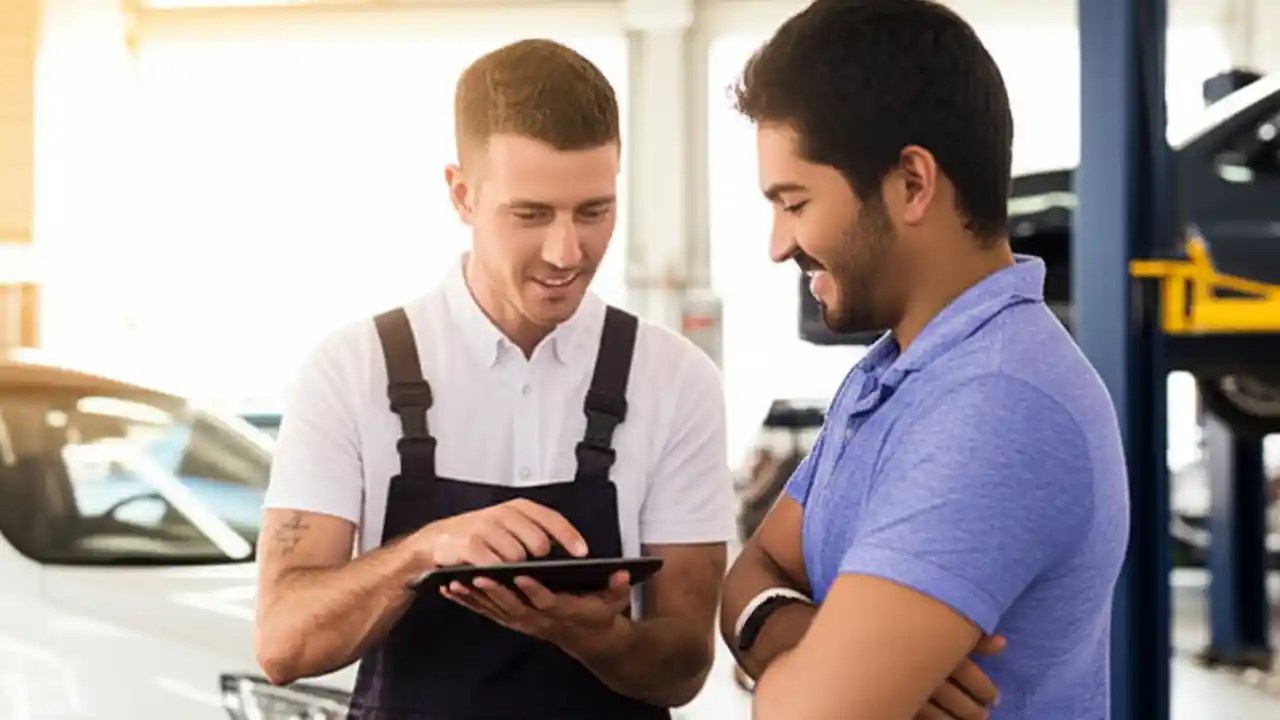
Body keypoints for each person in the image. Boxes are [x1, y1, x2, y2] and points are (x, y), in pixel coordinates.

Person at [252, 39, 736, 719]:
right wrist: (423, 552)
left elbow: (684, 665)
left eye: (593, 211)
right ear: (461, 194)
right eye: (531, 214)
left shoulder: (676, 379)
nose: (567, 253)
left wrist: (593, 636)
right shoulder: (350, 371)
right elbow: (283, 643)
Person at [718, 1, 1131, 719]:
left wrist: (799, 670)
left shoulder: (999, 404)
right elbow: (754, 572)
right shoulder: (892, 374)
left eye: (795, 201)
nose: (778, 244)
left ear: (913, 183)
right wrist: (814, 640)